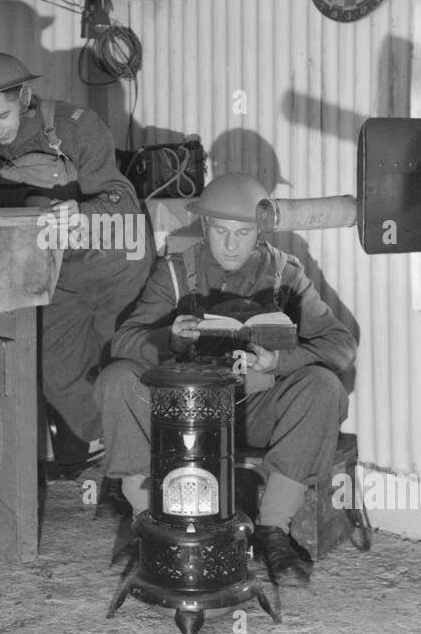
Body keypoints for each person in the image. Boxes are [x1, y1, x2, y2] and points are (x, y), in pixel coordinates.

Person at [95, 173, 356, 584]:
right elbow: (124, 342)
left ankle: (273, 530)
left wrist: (281, 361)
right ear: (205, 227)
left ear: (260, 232)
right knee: (117, 379)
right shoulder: (176, 273)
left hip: (253, 407)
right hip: (183, 413)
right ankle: (148, 522)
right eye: (220, 231)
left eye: (243, 232)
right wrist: (167, 338)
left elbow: (340, 346)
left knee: (323, 387)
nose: (231, 244)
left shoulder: (285, 272)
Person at [0, 51, 154, 476]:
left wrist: (82, 214)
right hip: (61, 276)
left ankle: (144, 461)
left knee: (126, 364)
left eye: (1, 117)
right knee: (55, 372)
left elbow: (122, 199)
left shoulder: (77, 126)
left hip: (117, 265)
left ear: (24, 95)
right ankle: (133, 444)